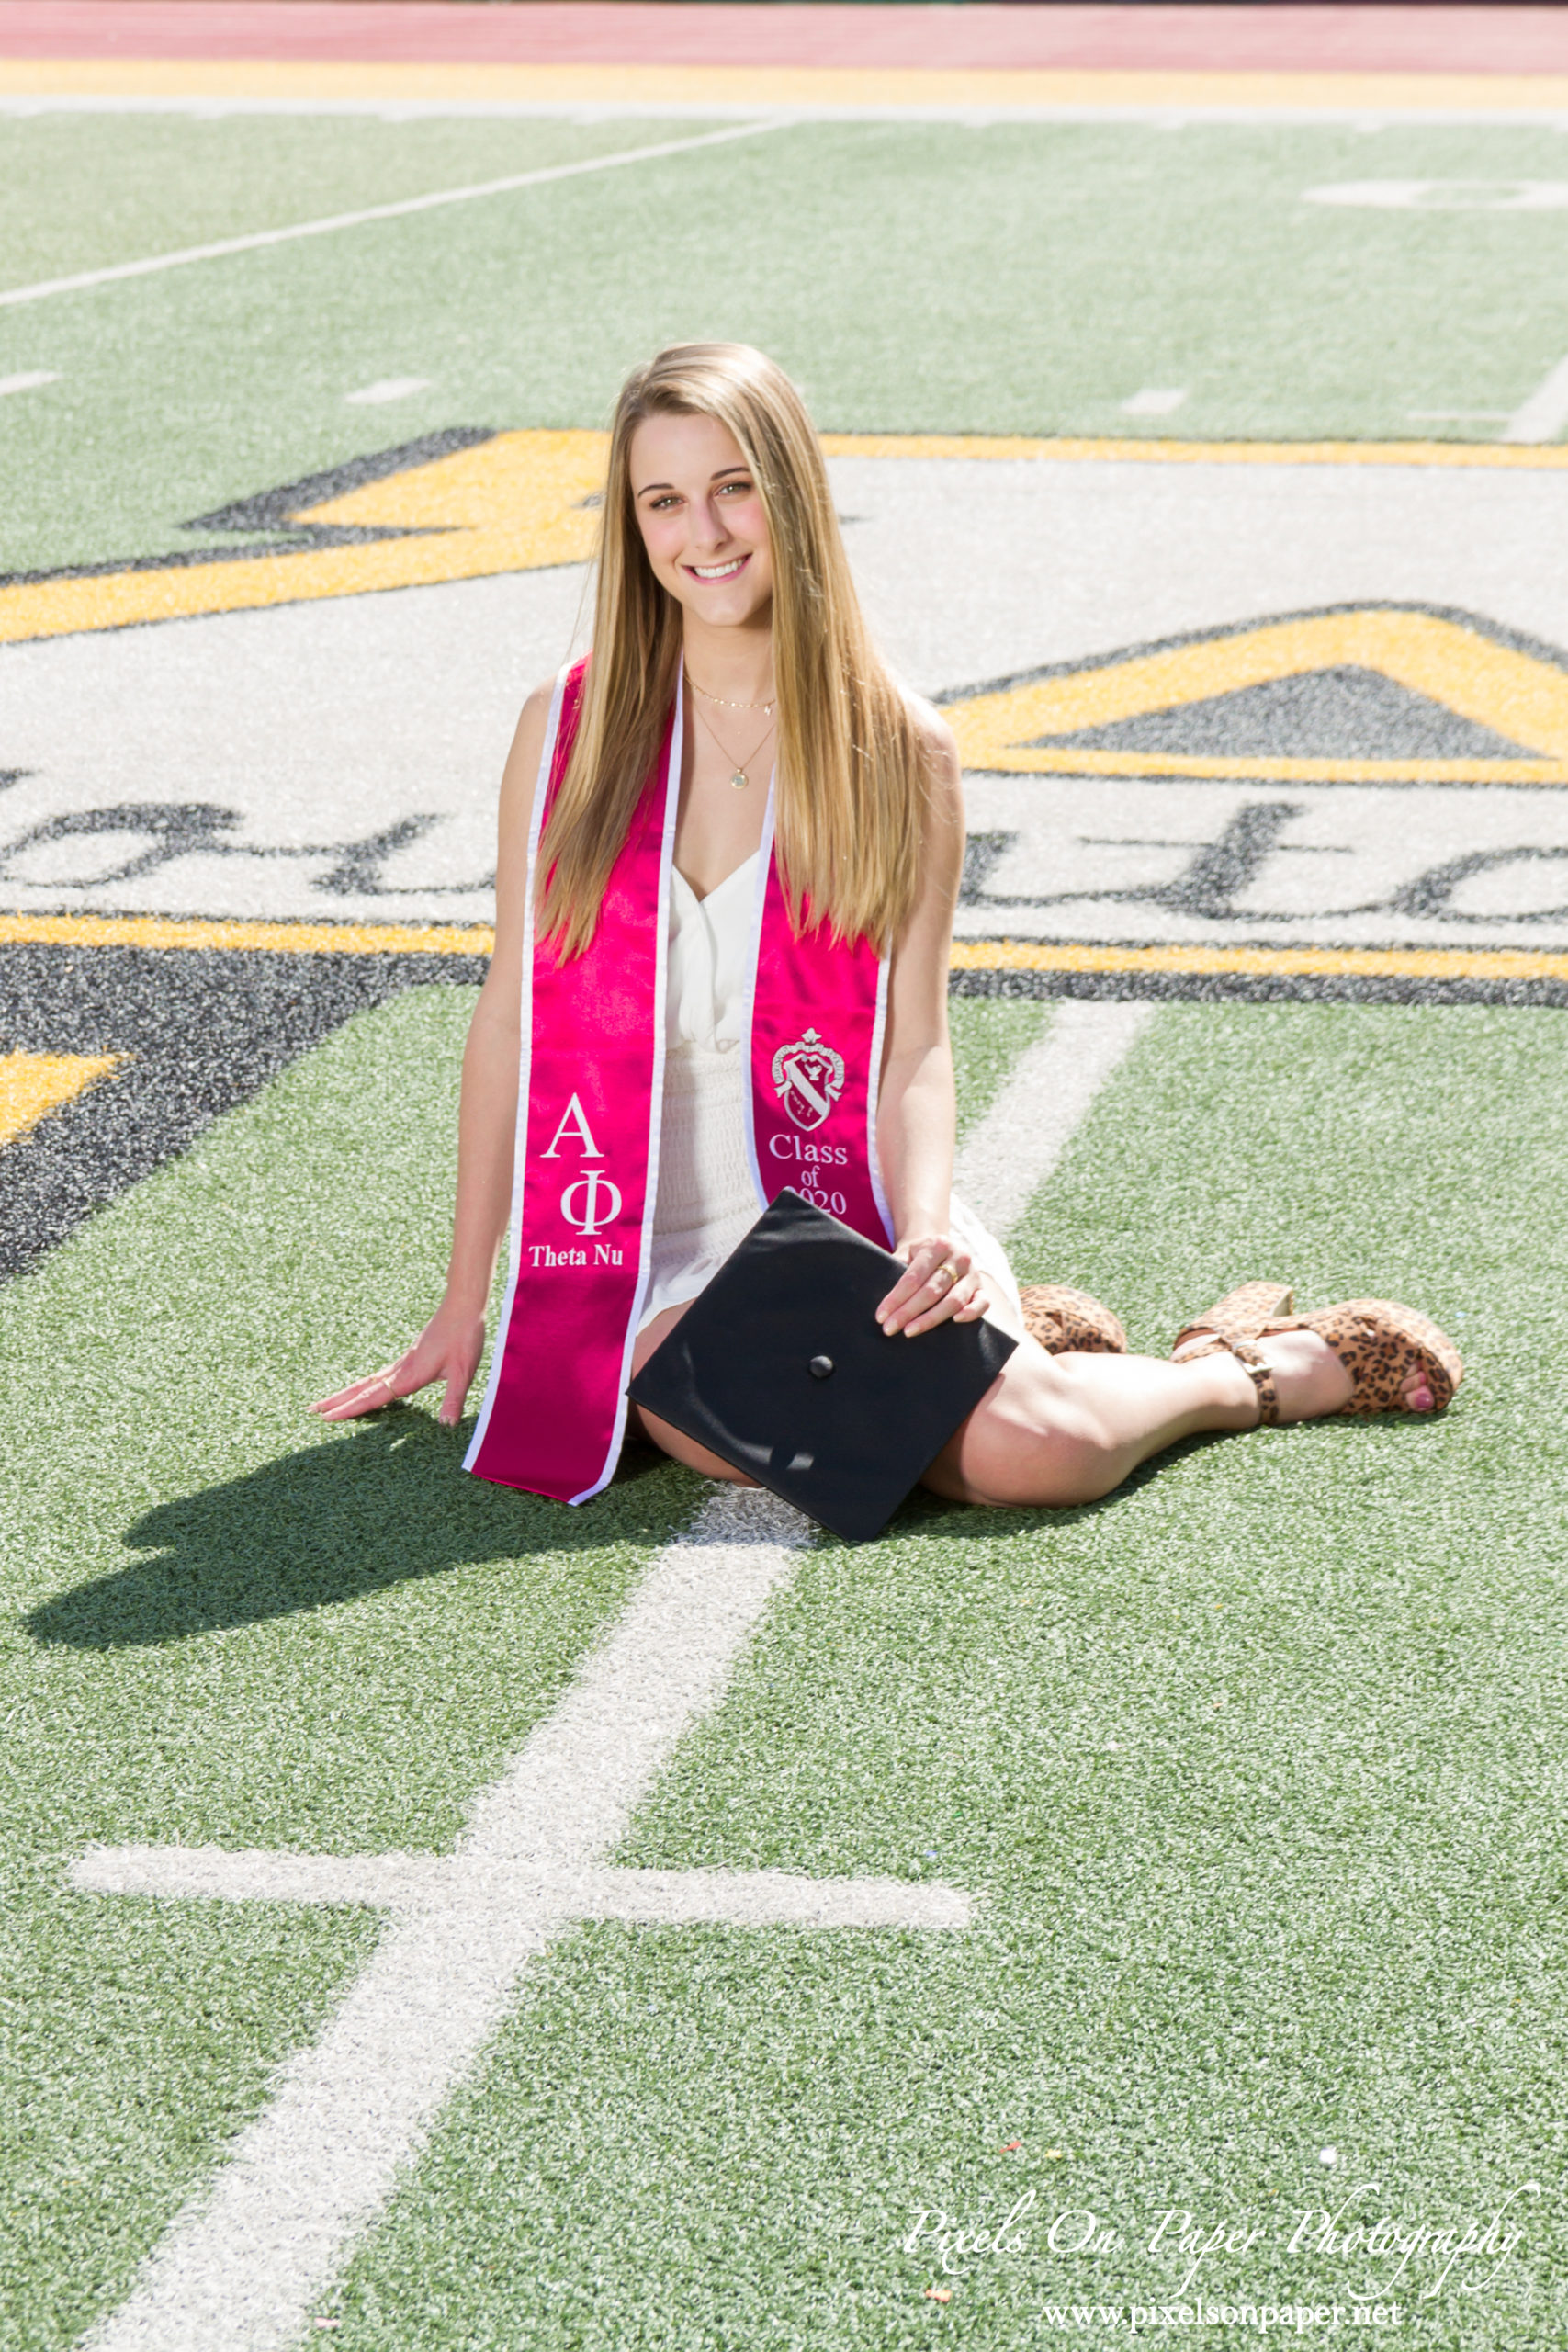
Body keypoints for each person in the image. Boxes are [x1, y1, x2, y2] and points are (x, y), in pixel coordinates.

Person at [312, 343, 1461, 1510]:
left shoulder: (893, 748)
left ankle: (1243, 1369)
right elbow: (513, 1015)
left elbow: (912, 1042)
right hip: (630, 1252)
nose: (702, 531)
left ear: (792, 497)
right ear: (632, 524)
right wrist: (465, 1300)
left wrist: (923, 1231)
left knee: (1037, 1459)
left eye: (732, 486)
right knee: (693, 1385)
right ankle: (1024, 1352)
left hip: (828, 1209)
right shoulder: (570, 729)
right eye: (663, 500)